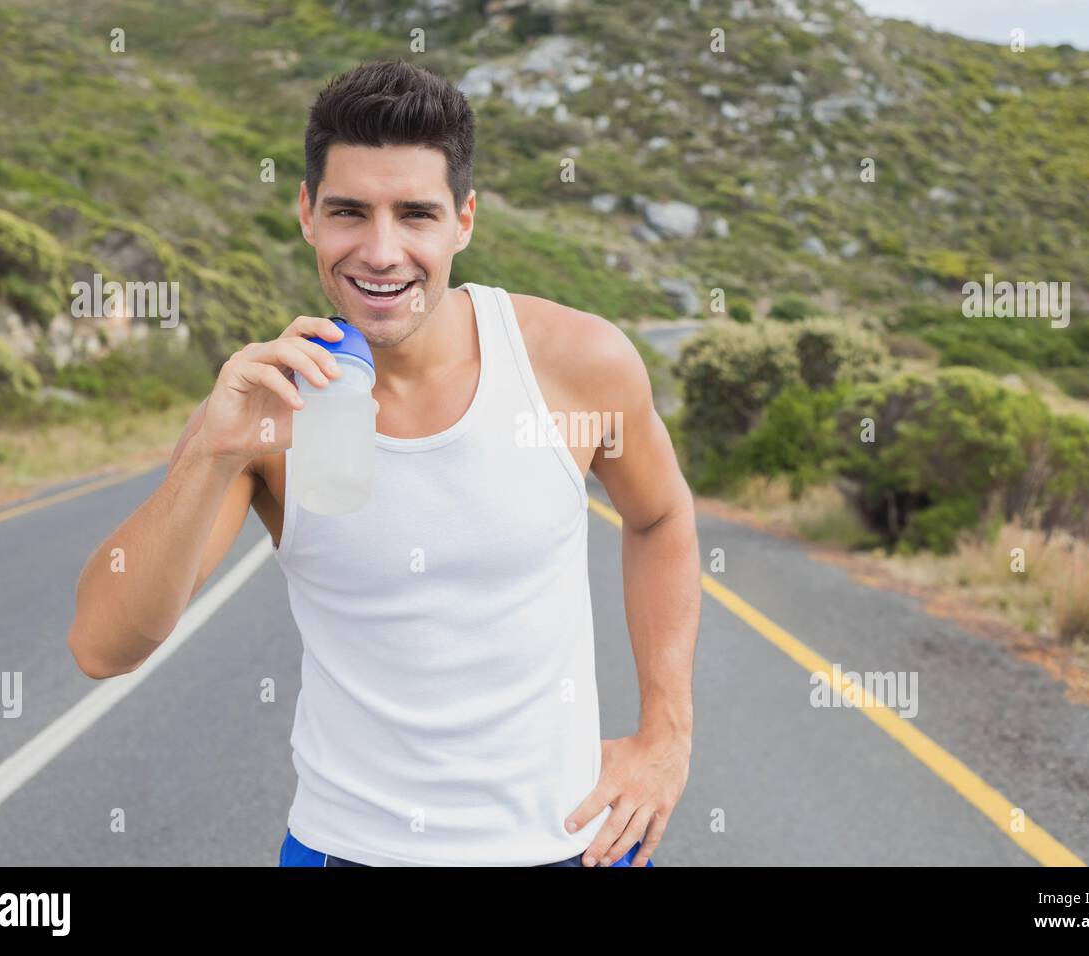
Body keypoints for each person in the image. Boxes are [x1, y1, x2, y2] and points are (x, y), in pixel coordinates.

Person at [67, 58, 700, 867]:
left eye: (416, 214)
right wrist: (214, 452)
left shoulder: (576, 363)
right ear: (306, 213)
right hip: (346, 852)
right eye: (348, 212)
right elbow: (101, 646)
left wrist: (666, 734)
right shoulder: (263, 408)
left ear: (463, 221)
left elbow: (660, 515)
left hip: (572, 846)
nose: (380, 250)